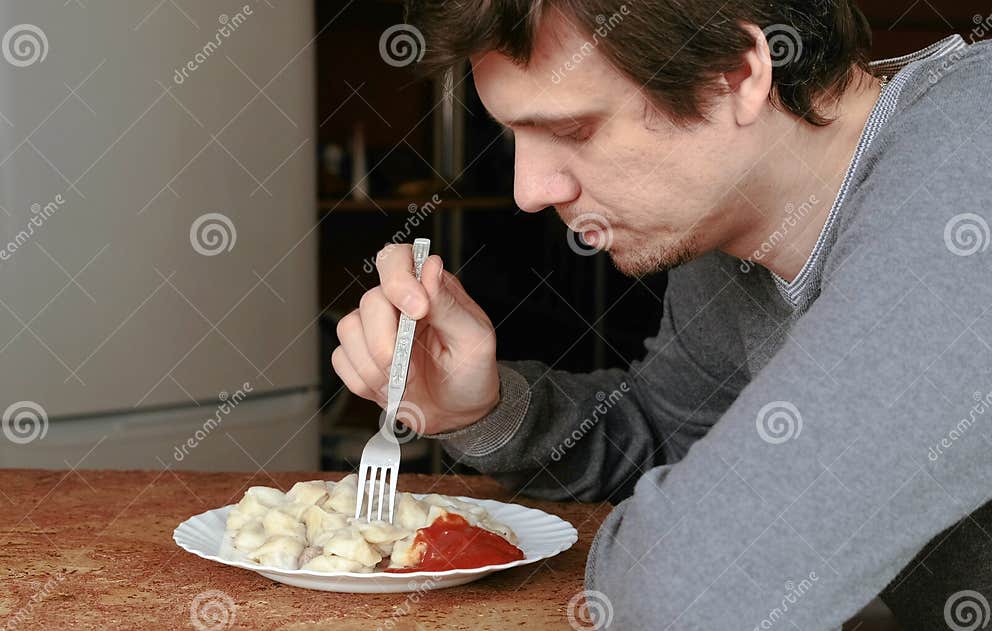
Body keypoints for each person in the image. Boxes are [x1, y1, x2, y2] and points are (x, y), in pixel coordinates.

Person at [331, 1, 992, 628]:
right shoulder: (734, 237)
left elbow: (687, 592)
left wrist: (692, 528)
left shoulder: (973, 160)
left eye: (572, 130)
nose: (529, 191)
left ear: (737, 71)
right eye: (516, 135)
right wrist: (484, 407)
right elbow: (673, 441)